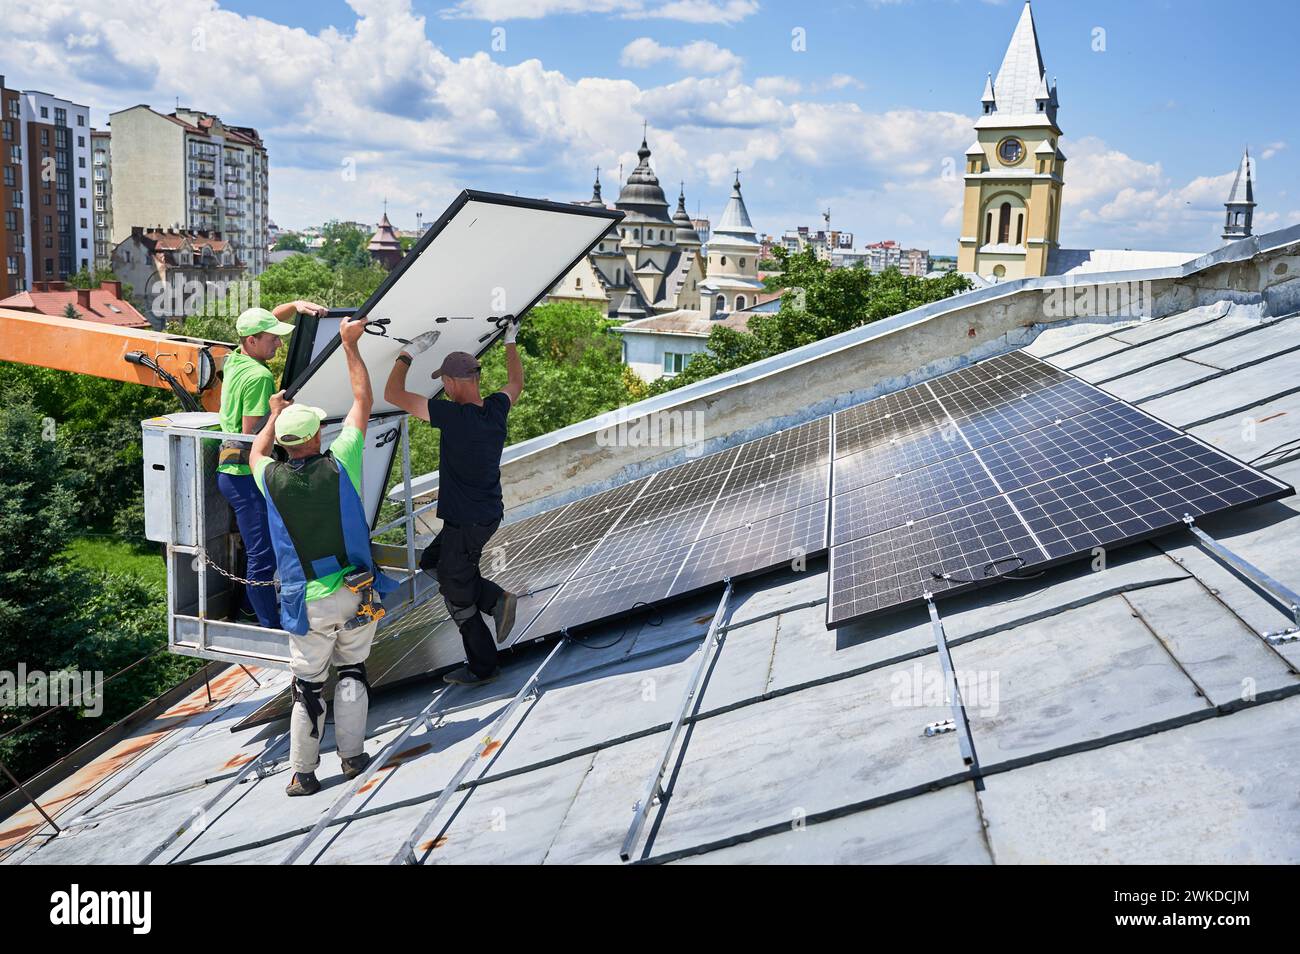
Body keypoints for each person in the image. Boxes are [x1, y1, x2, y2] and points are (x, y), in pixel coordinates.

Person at [249, 315, 396, 797]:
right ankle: (352, 758)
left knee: (308, 686)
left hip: (305, 602)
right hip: (356, 592)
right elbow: (362, 401)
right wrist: (349, 345)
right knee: (352, 672)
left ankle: (303, 774)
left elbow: (255, 452)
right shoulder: (342, 461)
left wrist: (273, 413)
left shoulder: (270, 479)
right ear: (316, 435)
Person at [383, 320, 524, 686]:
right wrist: (510, 342)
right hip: (482, 516)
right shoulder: (495, 408)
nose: (442, 388)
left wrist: (406, 354)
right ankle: (493, 600)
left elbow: (393, 395)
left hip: (467, 522)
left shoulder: (452, 417)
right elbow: (516, 384)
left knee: (457, 597)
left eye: (443, 382)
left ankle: (483, 663)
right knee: (433, 563)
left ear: (451, 382)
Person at [216, 301, 328, 628]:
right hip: (244, 474)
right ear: (253, 341)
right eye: (273, 339)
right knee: (262, 556)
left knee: (265, 548)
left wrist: (293, 306)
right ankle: (270, 625)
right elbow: (252, 435)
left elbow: (260, 324)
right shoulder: (259, 377)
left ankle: (262, 609)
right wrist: (279, 413)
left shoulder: (236, 358)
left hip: (231, 472)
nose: (279, 344)